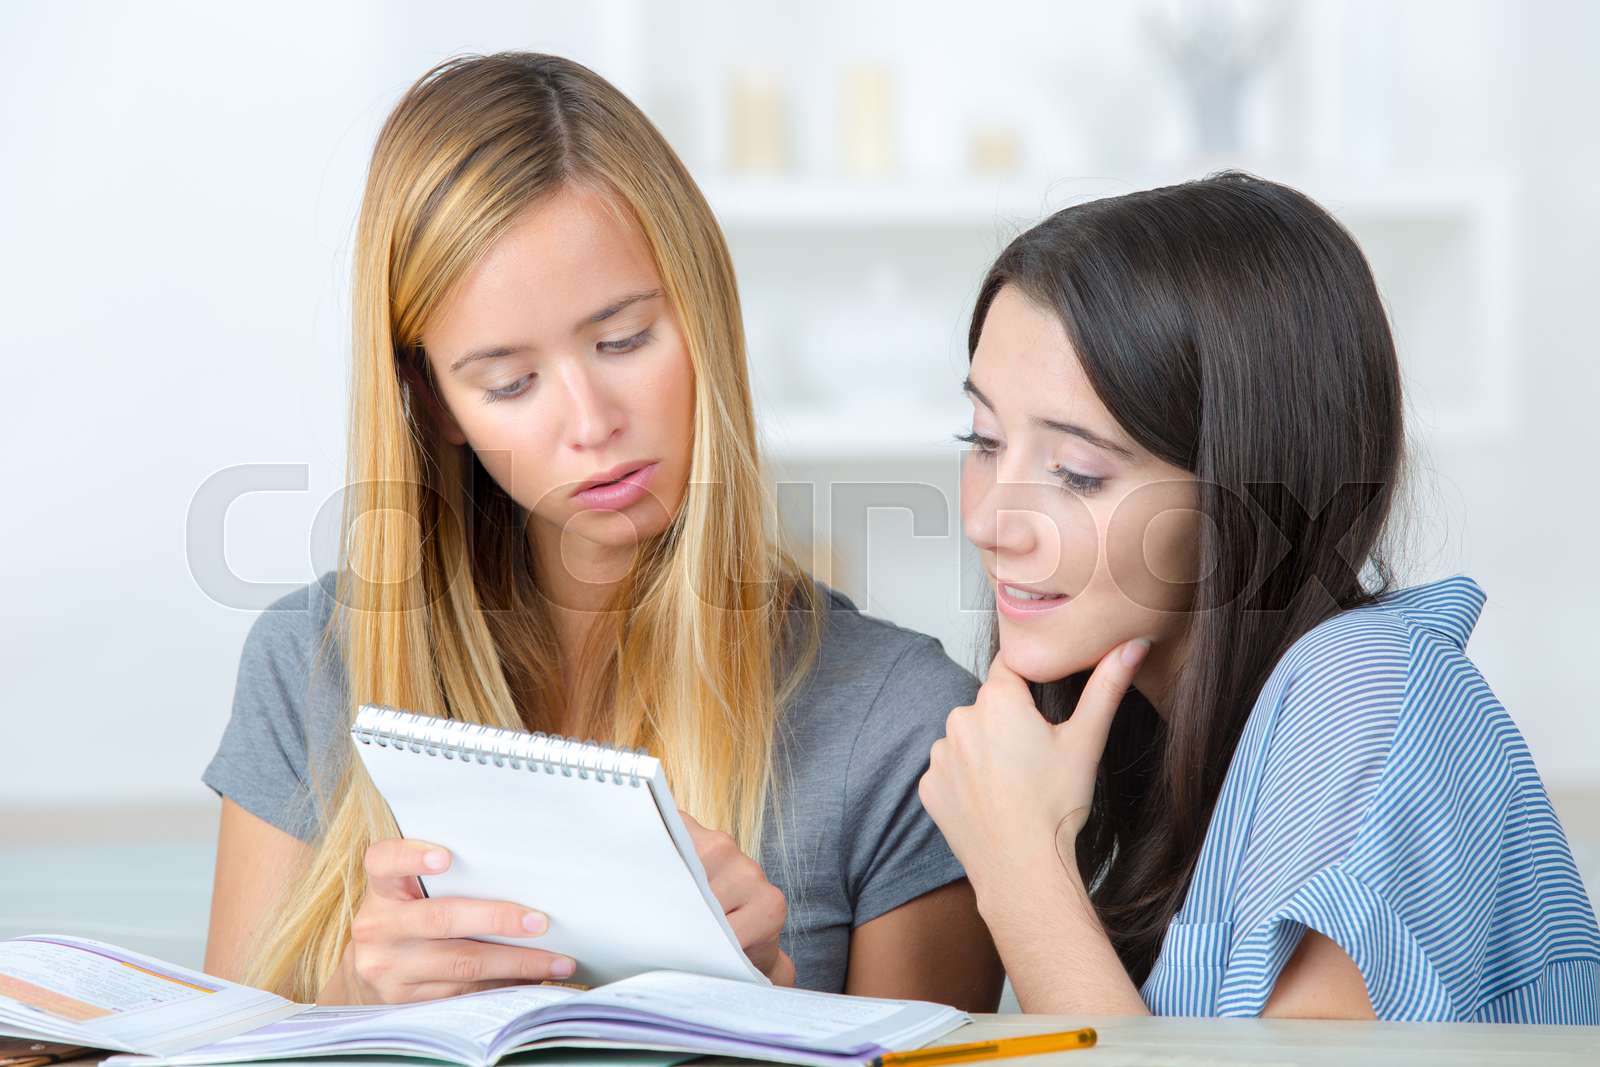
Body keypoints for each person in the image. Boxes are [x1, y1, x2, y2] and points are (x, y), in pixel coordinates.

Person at [201, 52, 1002, 1009]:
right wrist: (347, 1007)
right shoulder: (309, 666)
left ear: (704, 311)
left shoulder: (903, 725)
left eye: (622, 340)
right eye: (509, 381)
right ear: (436, 402)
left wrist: (766, 1019)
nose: (590, 422)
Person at [918, 172, 1600, 1022]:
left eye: (1076, 473)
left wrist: (1022, 871)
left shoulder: (1368, 685)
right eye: (981, 440)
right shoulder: (1173, 746)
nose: (989, 520)